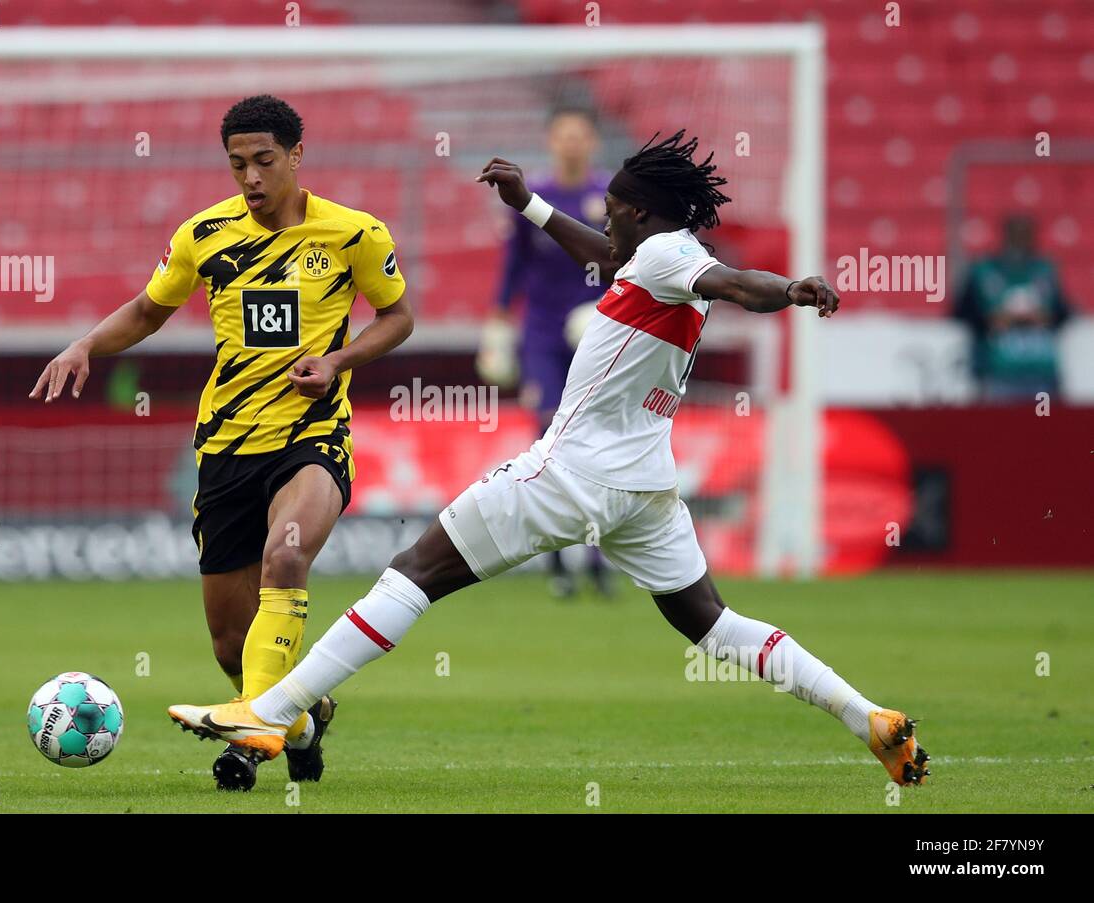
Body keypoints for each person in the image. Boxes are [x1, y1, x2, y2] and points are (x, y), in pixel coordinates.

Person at [168, 130, 930, 789]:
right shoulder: (655, 255)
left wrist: (790, 288)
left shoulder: (669, 255)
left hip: (570, 474)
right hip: (646, 489)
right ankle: (867, 715)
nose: (606, 217)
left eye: (612, 208)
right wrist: (530, 205)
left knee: (416, 569)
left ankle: (269, 713)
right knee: (712, 623)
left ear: (637, 210)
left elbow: (731, 283)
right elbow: (612, 256)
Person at [31, 95, 414, 790]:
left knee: (286, 552)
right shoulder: (203, 235)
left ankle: (254, 736)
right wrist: (87, 343)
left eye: (264, 161)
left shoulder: (354, 235)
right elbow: (150, 309)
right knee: (230, 644)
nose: (251, 177)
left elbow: (398, 317)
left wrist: (336, 362)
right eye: (238, 164)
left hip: (312, 438)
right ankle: (302, 712)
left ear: (297, 155)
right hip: (227, 449)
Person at [481, 104, 612, 598]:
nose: (572, 143)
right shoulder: (533, 196)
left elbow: (625, 263)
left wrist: (608, 306)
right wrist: (497, 315)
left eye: (580, 135)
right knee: (549, 434)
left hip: (597, 333)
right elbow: (514, 260)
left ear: (593, 142)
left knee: (592, 435)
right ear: (551, 142)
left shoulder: (611, 197)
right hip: (540, 332)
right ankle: (557, 562)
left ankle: (596, 558)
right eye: (564, 136)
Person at [954, 214, 1070, 402]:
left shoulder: (1045, 270)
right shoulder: (984, 271)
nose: (1021, 241)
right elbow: (961, 313)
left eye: (1025, 234)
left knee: (1044, 427)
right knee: (1000, 428)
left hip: (1041, 370)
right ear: (1005, 236)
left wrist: (1045, 317)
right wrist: (991, 320)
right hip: (999, 371)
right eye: (1016, 234)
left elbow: (1063, 312)